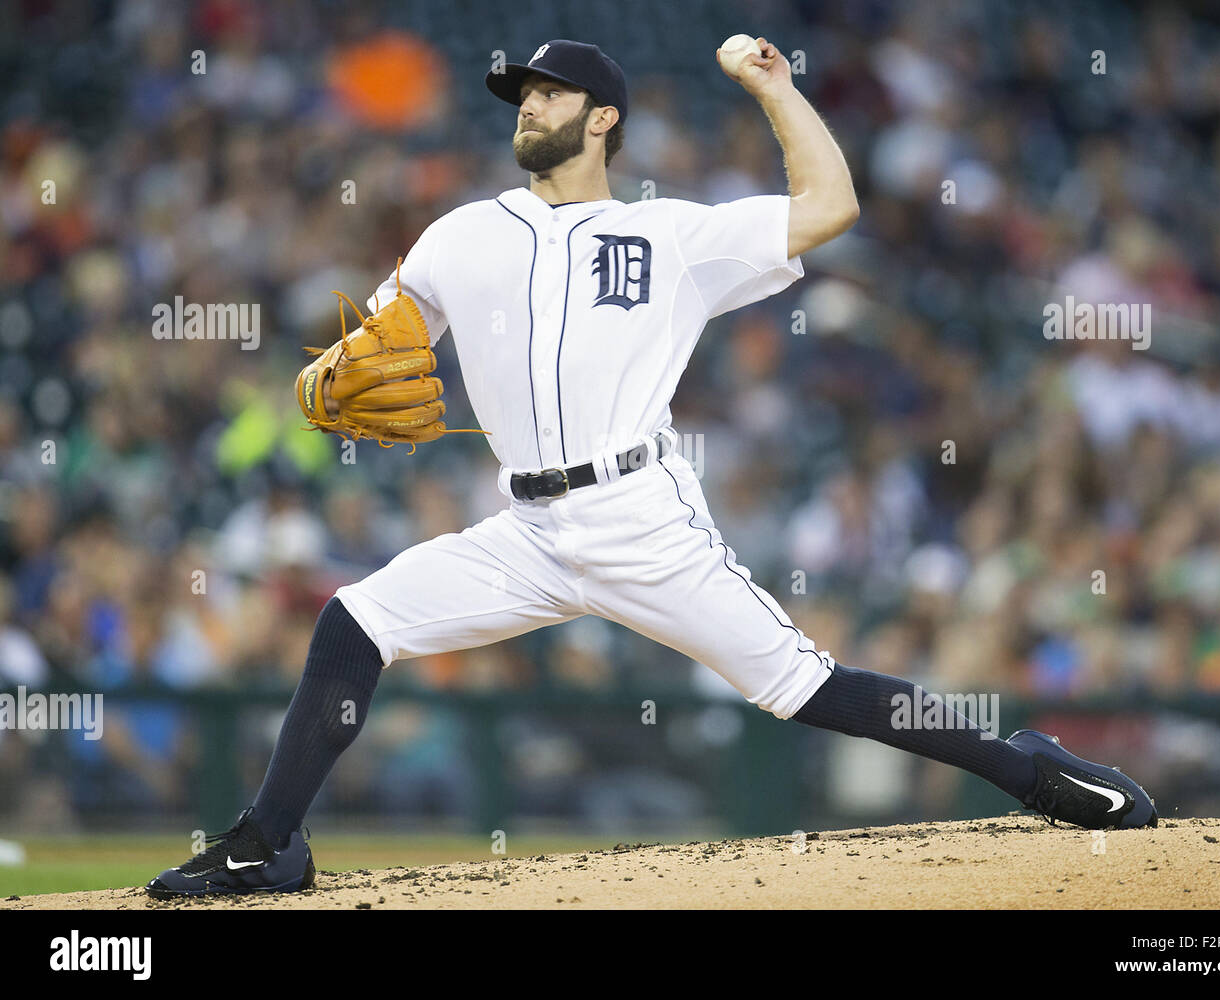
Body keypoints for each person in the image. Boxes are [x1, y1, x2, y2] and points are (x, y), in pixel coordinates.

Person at [146, 38, 1154, 899]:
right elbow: (375, 340)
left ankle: (1028, 767)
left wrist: (772, 88)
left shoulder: (670, 233)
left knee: (805, 686)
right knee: (354, 620)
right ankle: (269, 843)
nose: (528, 104)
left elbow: (829, 204)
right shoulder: (461, 233)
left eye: (547, 92)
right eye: (521, 94)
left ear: (602, 120)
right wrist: (325, 381)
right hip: (525, 531)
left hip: (640, 515)